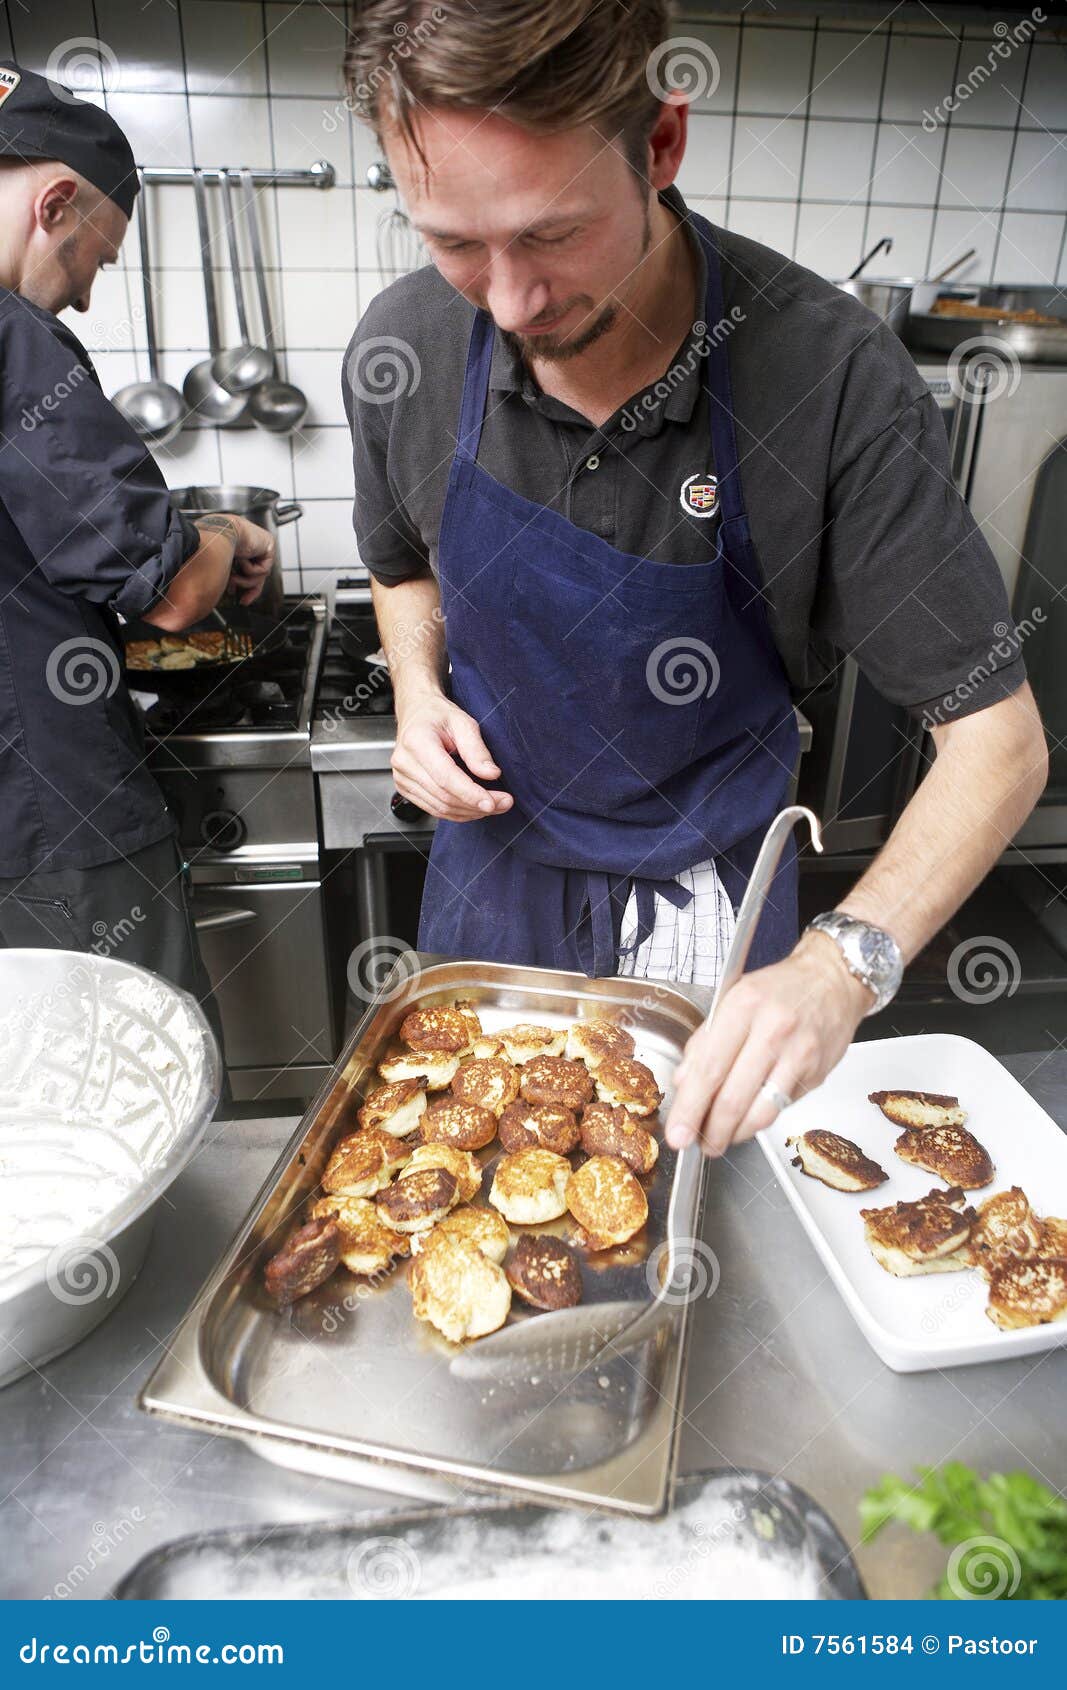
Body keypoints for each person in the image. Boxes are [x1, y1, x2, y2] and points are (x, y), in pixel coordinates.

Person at [340, 2, 1047, 1157]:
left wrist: (840, 965)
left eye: (552, 233)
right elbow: (398, 567)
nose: (508, 299)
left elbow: (999, 742)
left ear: (660, 146)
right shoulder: (404, 349)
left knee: (697, 1238)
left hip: (709, 907)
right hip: (493, 887)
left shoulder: (828, 376)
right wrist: (417, 695)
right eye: (455, 242)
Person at [0, 61, 274, 1042]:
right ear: (56, 200)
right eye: (93, 260)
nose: (79, 298)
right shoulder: (12, 338)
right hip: (52, 826)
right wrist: (227, 533)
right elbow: (165, 593)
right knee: (143, 1086)